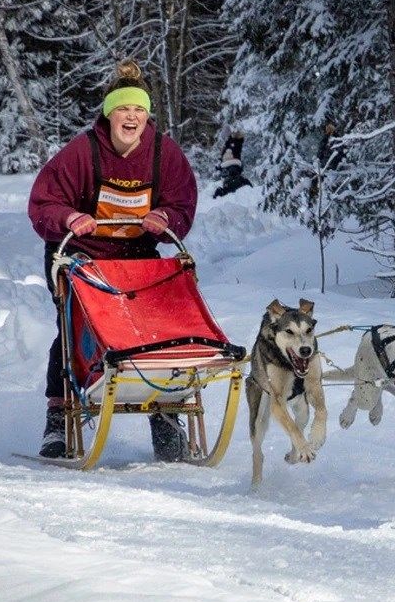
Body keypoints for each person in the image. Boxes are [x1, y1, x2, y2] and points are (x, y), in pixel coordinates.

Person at [28, 60, 197, 461]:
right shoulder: (83, 152)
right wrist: (71, 217)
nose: (132, 116)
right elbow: (43, 202)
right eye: (123, 108)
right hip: (80, 256)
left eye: (139, 109)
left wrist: (166, 218)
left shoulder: (163, 153)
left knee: (157, 325)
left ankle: (165, 411)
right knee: (75, 327)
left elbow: (183, 202)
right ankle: (58, 416)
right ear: (109, 112)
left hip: (136, 256)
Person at [212, 128, 252, 198]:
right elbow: (221, 159)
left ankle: (224, 193)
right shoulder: (227, 146)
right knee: (233, 180)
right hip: (229, 166)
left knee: (233, 180)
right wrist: (219, 167)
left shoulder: (235, 143)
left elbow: (239, 139)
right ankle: (226, 193)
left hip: (233, 165)